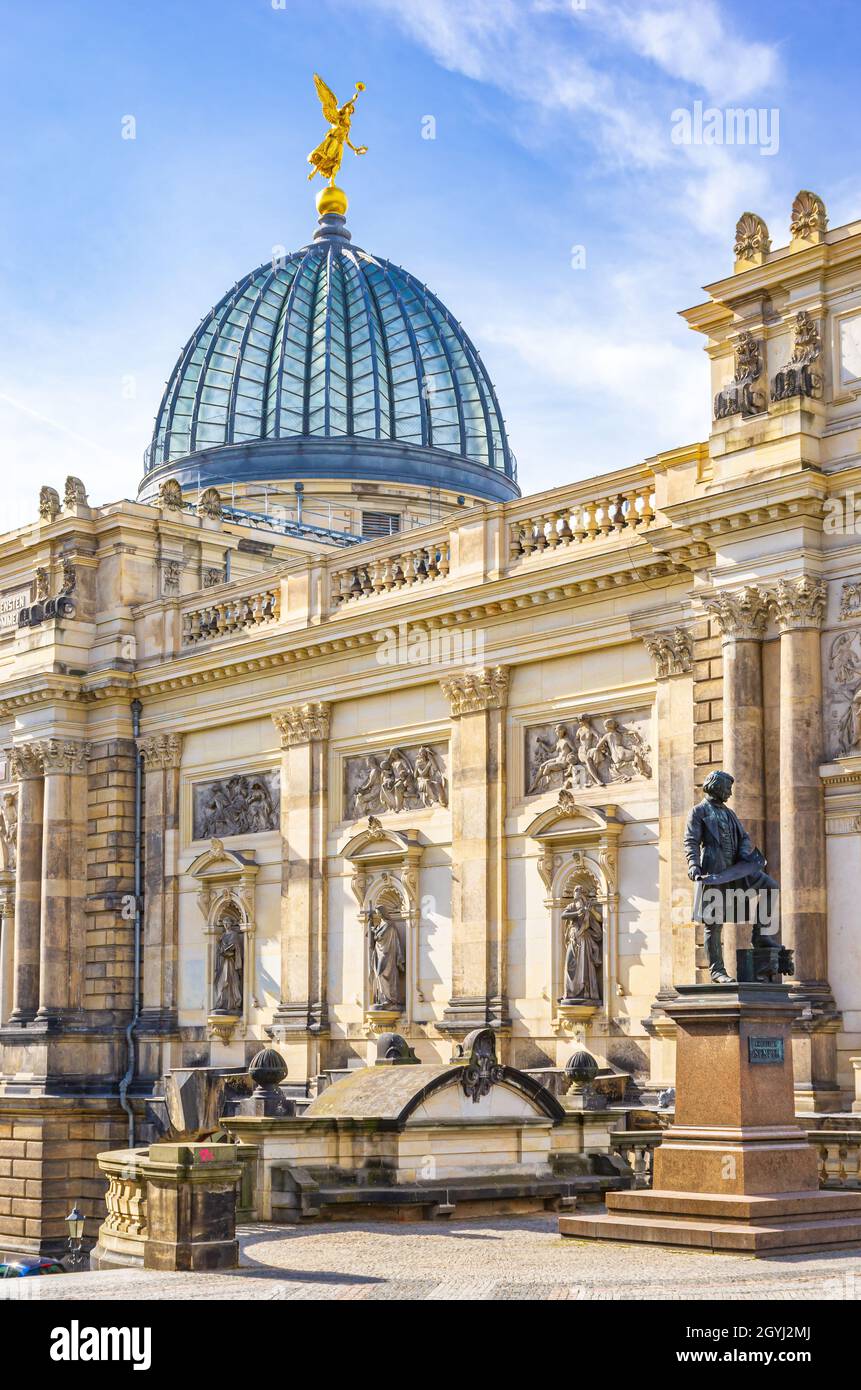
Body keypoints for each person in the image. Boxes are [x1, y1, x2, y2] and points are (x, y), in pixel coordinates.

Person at [684, 770, 778, 984]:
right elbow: (691, 841)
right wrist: (693, 865)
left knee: (770, 886)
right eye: (727, 788)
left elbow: (744, 838)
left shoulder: (729, 813)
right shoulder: (699, 812)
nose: (730, 792)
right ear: (716, 787)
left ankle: (761, 935)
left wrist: (745, 854)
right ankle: (717, 971)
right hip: (714, 872)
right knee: (713, 923)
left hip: (737, 871)